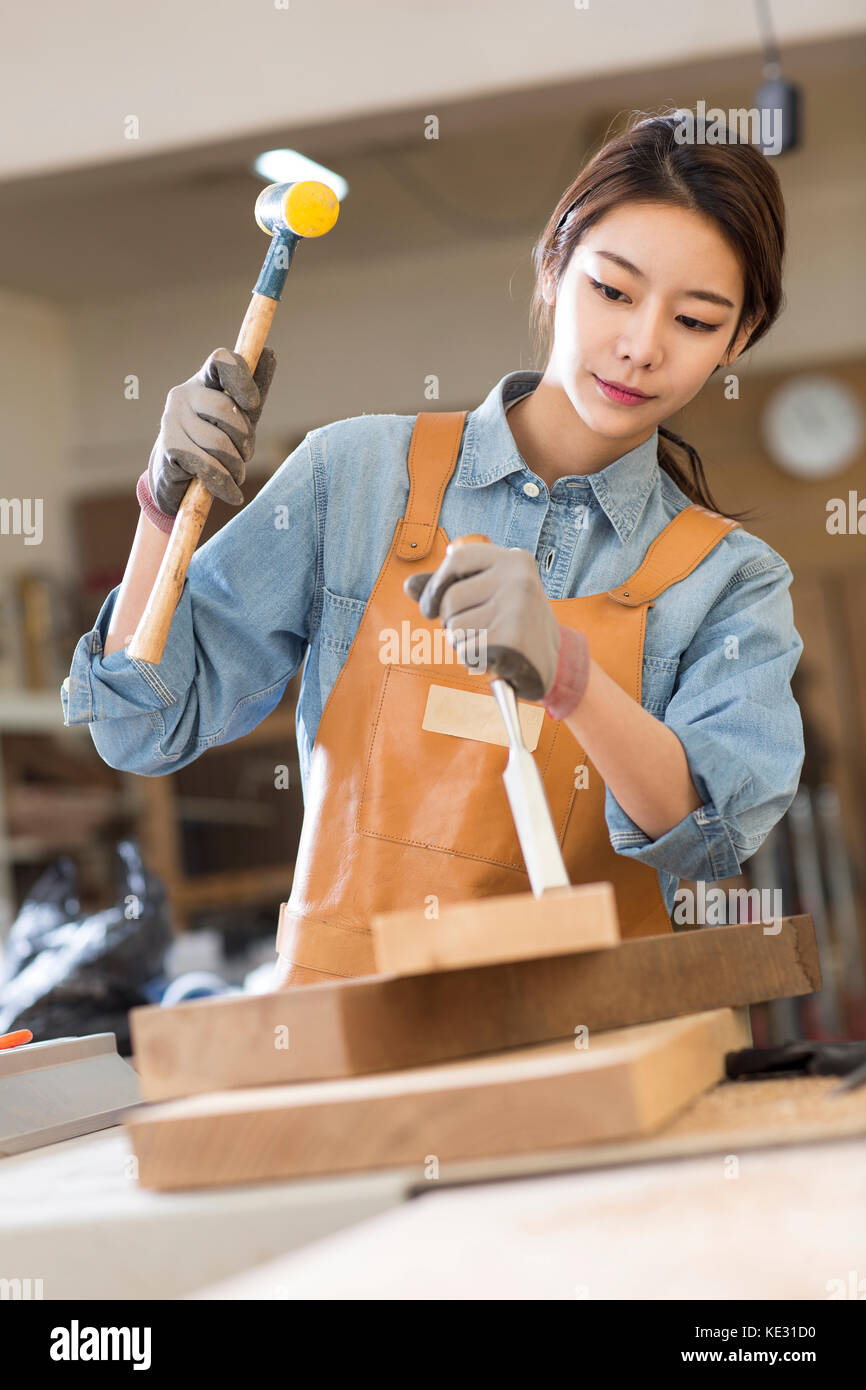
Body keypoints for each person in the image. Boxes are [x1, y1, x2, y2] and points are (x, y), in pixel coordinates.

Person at [61, 110, 804, 986]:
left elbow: (706, 837)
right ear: (554, 267)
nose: (641, 345)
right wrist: (162, 501)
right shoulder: (356, 474)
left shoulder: (728, 579)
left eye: (695, 320)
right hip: (357, 1035)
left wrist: (569, 680)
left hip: (600, 1045)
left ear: (738, 340)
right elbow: (139, 729)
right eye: (612, 291)